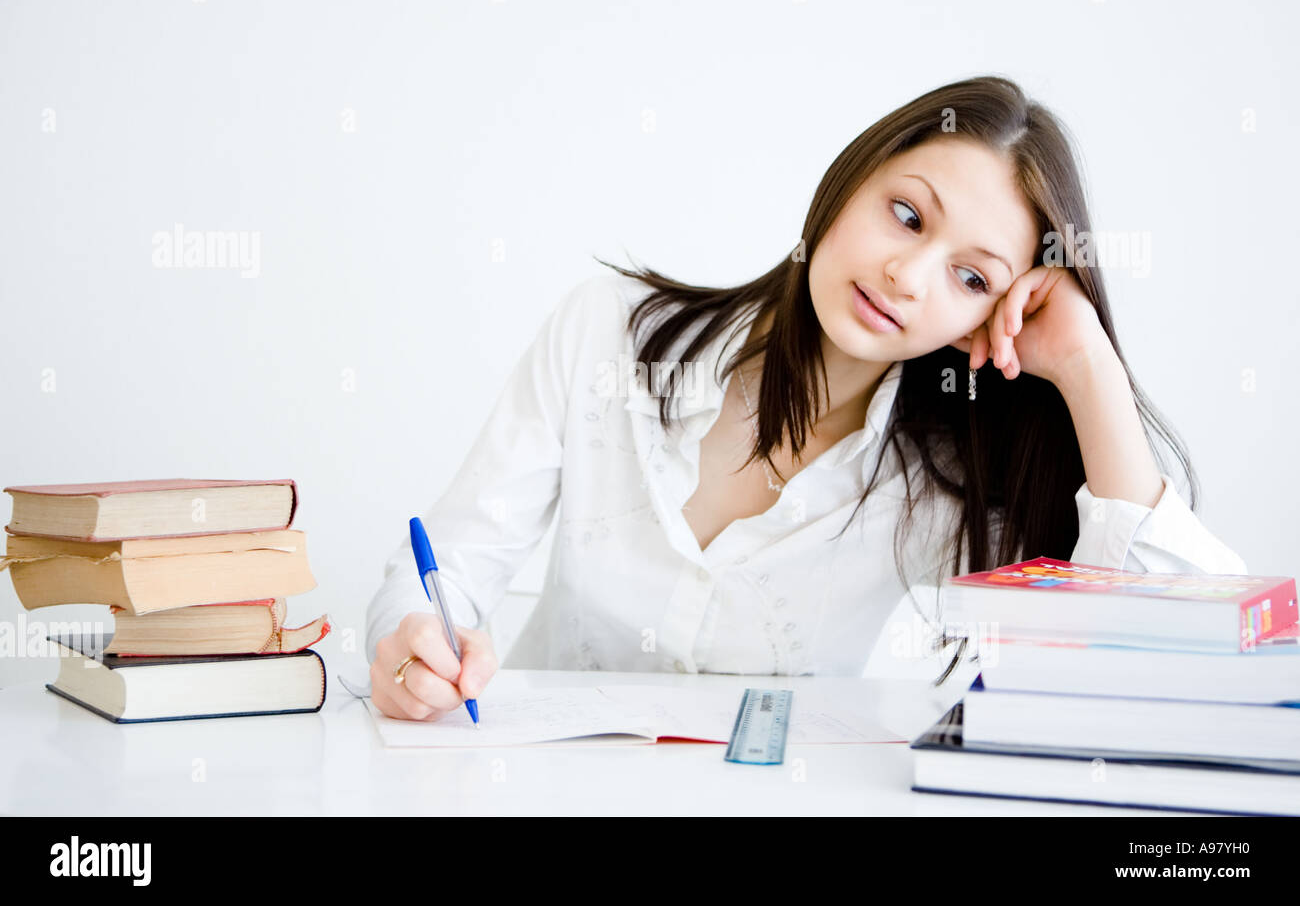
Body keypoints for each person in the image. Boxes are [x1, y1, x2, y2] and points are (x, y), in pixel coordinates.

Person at [366, 75, 1246, 722]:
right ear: (851, 181)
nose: (906, 276)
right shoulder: (609, 334)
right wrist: (408, 640)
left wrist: (1091, 371)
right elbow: (444, 563)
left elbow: (1198, 660)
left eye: (971, 276)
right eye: (907, 215)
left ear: (994, 313)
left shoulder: (945, 483)